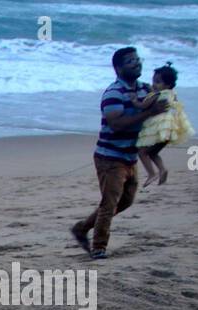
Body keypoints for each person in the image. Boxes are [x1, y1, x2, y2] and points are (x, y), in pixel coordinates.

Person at [71, 47, 169, 260]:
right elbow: (117, 124)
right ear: (118, 68)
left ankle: (81, 228)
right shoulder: (113, 93)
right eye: (130, 61)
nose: (136, 63)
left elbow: (162, 102)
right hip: (109, 157)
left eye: (137, 59)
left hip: (131, 156)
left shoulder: (145, 90)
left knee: (126, 201)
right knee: (109, 203)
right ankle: (99, 247)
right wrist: (148, 113)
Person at [136, 62, 195, 187]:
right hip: (169, 131)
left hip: (159, 130)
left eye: (157, 82)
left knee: (142, 152)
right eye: (153, 81)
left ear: (167, 84)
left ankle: (152, 173)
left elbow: (143, 105)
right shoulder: (172, 94)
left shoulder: (158, 94)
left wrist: (133, 100)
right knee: (153, 153)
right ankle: (162, 169)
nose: (154, 85)